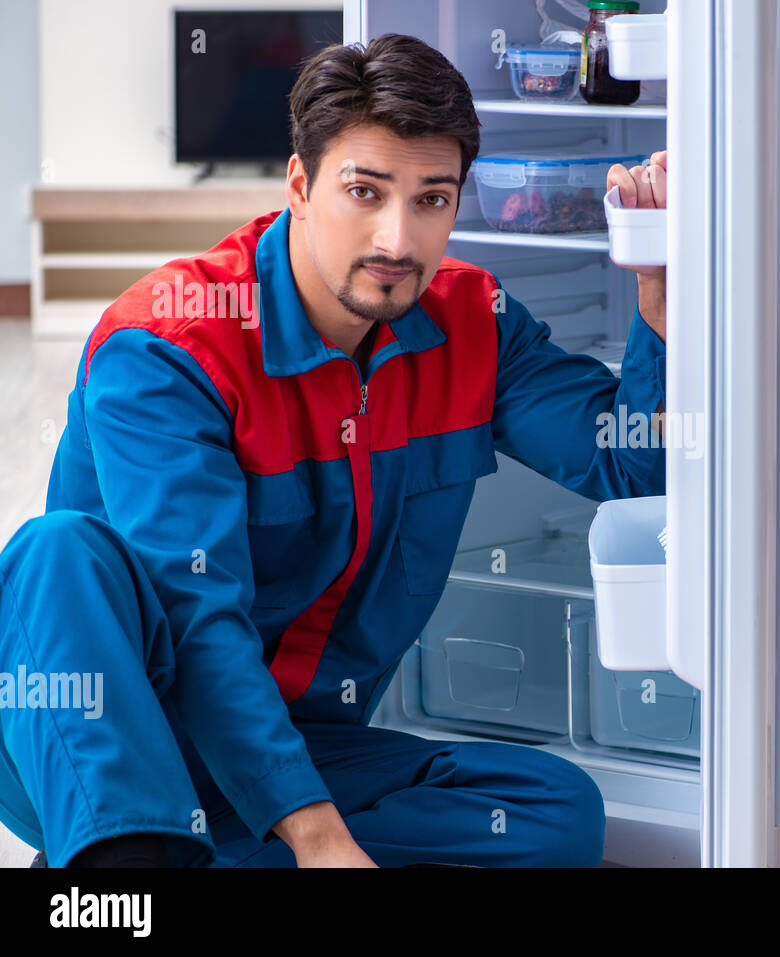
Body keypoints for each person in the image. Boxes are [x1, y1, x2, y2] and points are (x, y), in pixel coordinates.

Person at [0, 33, 669, 868]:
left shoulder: (474, 323)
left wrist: (659, 298)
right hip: (118, 727)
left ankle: (155, 858)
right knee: (56, 551)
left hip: (302, 740)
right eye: (365, 190)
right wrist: (318, 840)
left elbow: (634, 467)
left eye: (431, 199)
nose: (397, 238)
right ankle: (123, 851)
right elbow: (196, 615)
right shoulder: (172, 344)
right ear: (300, 185)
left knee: (555, 811)